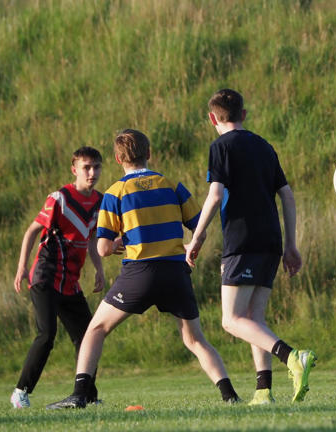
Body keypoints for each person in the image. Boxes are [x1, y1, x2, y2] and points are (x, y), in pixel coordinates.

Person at [46, 129, 239, 409]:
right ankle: (230, 395)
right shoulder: (171, 185)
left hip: (140, 273)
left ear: (118, 159)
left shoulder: (115, 192)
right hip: (175, 273)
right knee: (195, 339)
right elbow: (200, 227)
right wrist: (191, 246)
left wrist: (118, 241)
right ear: (149, 153)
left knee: (96, 329)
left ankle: (78, 395)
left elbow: (102, 248)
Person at [184, 89, 316, 405]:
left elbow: (215, 195)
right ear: (244, 114)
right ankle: (263, 391)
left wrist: (197, 237)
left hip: (242, 241)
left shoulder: (220, 147)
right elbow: (287, 195)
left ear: (212, 118)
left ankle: (292, 356)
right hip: (271, 240)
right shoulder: (264, 146)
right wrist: (291, 244)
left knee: (230, 320)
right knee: (254, 318)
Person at [10, 147, 105, 408]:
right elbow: (32, 231)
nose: (92, 172)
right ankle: (20, 392)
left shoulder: (99, 201)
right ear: (74, 170)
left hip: (70, 282)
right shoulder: (60, 199)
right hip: (45, 276)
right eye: (86, 167)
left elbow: (92, 237)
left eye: (96, 167)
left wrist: (99, 269)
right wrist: (21, 267)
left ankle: (87, 396)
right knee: (47, 335)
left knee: (88, 336)